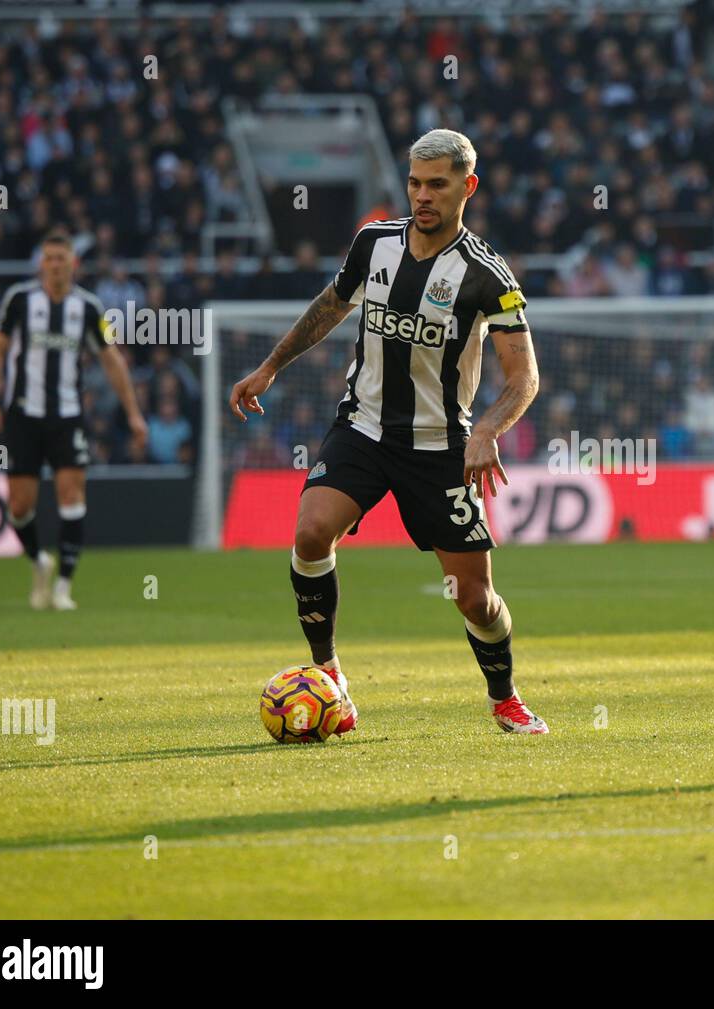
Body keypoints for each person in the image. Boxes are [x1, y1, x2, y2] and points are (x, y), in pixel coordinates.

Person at [229, 130, 547, 735]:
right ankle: (329, 675)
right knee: (312, 532)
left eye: (437, 184)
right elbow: (330, 304)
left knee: (473, 598)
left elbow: (523, 377)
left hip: (440, 448)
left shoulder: (487, 276)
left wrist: (486, 431)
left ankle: (504, 696)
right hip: (363, 429)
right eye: (414, 182)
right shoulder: (374, 244)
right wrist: (271, 365)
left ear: (467, 187)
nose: (422, 196)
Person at [0, 227, 147, 610]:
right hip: (23, 414)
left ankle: (63, 587)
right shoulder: (19, 300)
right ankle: (39, 560)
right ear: (42, 264)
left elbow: (112, 360)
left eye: (62, 260)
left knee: (72, 497)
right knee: (19, 506)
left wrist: (134, 413)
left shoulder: (88, 308)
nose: (55, 266)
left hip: (68, 416)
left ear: (74, 264)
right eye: (49, 259)